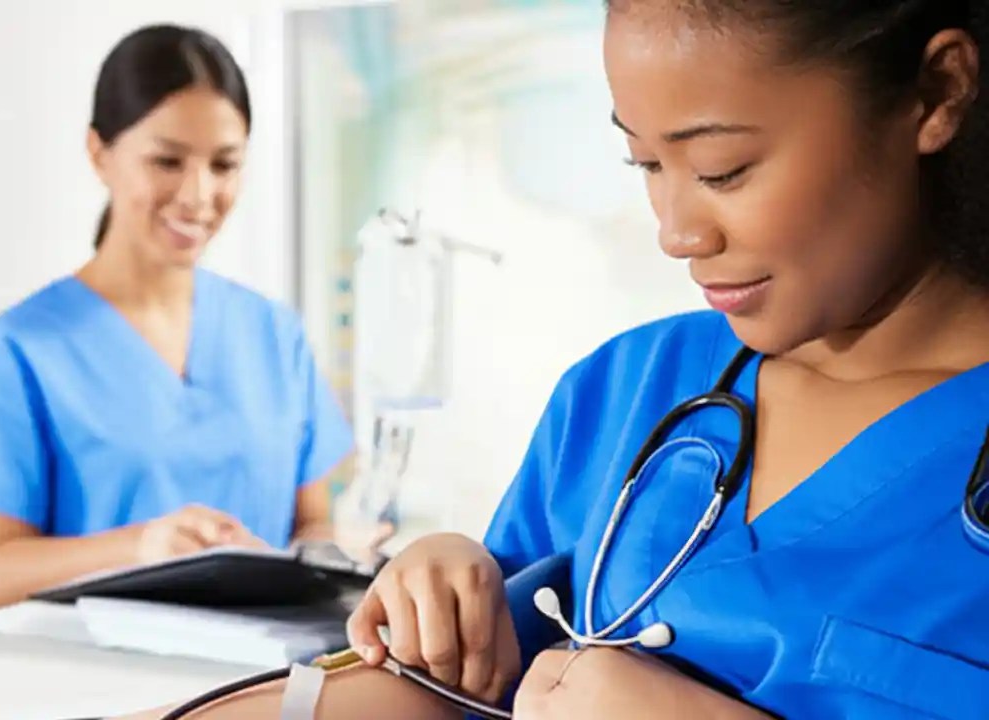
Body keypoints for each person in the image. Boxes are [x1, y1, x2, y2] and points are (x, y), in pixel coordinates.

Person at [123, 0, 989, 718]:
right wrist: (441, 592)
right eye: (646, 163)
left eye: (722, 169)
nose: (677, 232)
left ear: (936, 93)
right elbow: (452, 688)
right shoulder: (627, 392)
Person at [0, 24, 354, 610]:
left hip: (267, 663)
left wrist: (332, 555)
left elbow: (312, 525)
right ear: (99, 153)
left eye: (224, 165)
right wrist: (143, 547)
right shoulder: (21, 347)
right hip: (94, 665)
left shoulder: (274, 335)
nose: (199, 194)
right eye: (167, 161)